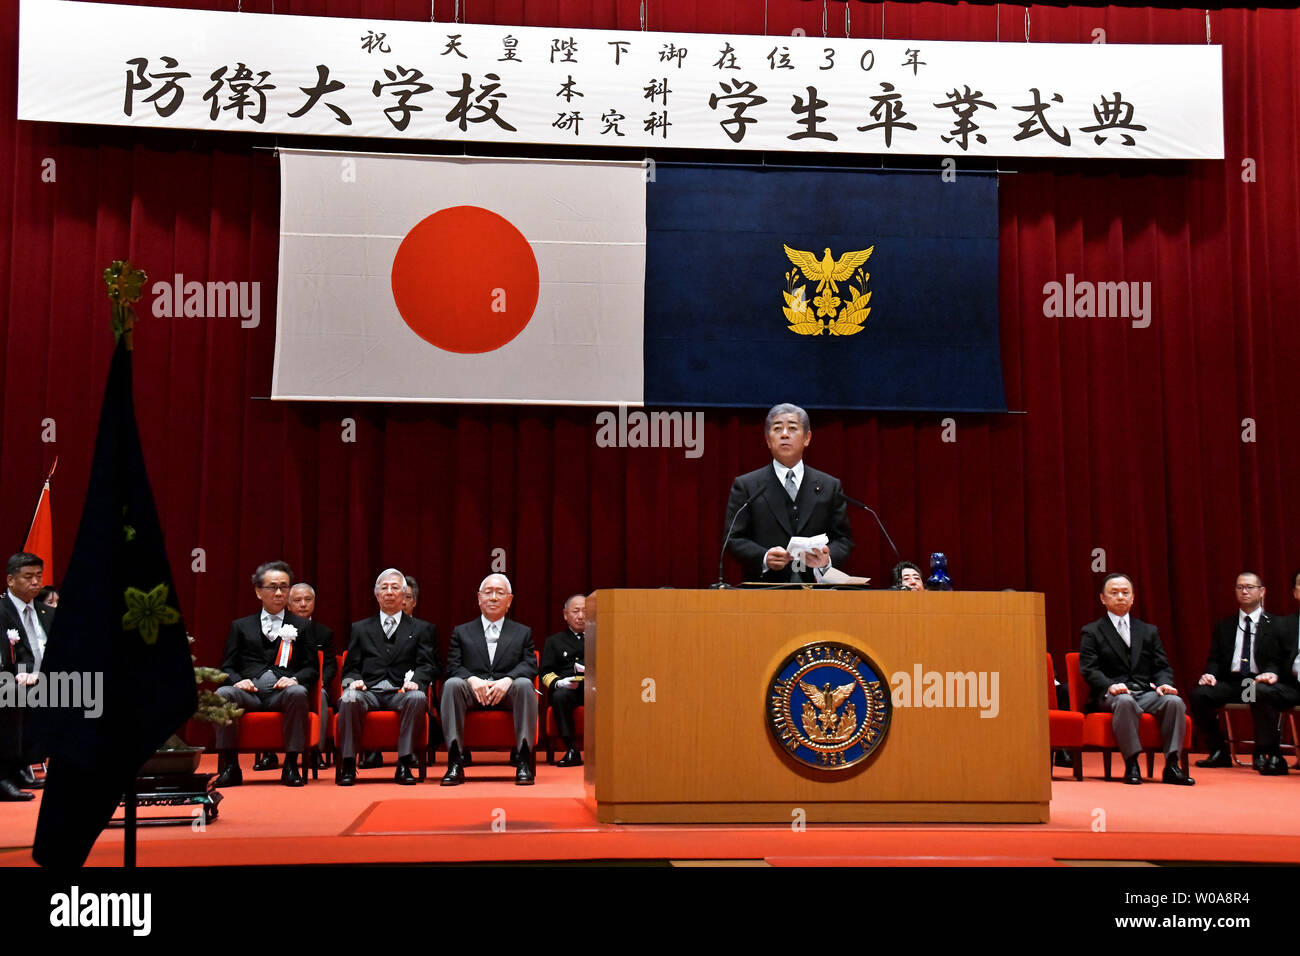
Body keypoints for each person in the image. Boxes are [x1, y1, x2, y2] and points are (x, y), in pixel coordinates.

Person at [1078, 572, 1194, 786]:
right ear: (1103, 598)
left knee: (1174, 702)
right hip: (1110, 695)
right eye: (1114, 593)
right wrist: (1111, 685)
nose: (1120, 597)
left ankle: (1171, 765)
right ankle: (1132, 763)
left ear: (1133, 598)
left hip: (1144, 692)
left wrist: (1164, 684)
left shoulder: (1148, 631)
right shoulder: (1092, 631)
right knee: (1124, 701)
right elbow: (1089, 669)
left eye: (1125, 593)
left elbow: (1162, 666)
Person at [212, 561, 319, 787]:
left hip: (281, 694)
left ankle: (291, 765)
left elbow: (311, 668)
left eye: (284, 587)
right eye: (272, 587)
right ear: (259, 592)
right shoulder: (240, 626)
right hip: (249, 693)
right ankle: (231, 767)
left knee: (298, 692)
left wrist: (295, 679)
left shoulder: (303, 626)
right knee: (223, 693)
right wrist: (238, 681)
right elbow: (226, 667)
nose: (279, 593)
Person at [723, 403, 853, 583]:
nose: (785, 434)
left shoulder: (829, 486)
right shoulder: (747, 486)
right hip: (763, 591)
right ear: (768, 440)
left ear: (807, 438)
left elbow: (843, 540)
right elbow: (733, 539)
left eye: (792, 428)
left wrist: (827, 560)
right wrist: (764, 556)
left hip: (817, 593)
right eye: (777, 429)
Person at [336, 569, 438, 786]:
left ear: (404, 595)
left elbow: (427, 665)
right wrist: (353, 681)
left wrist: (417, 682)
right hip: (369, 691)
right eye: (384, 588)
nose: (389, 592)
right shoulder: (360, 628)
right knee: (348, 698)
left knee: (418, 698)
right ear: (376, 594)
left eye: (395, 588)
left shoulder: (421, 629)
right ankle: (347, 763)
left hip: (402, 692)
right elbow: (349, 669)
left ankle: (403, 763)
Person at [440, 573, 538, 786]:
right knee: (452, 684)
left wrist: (508, 679)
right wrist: (472, 679)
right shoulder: (462, 631)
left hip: (507, 692)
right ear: (479, 598)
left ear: (509, 600)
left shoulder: (522, 632)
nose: (493, 597)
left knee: (524, 684)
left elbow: (530, 664)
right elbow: (453, 666)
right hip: (473, 692)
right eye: (488, 592)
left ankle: (523, 759)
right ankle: (455, 761)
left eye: (500, 593)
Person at [1191, 572, 1271, 769]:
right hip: (1231, 682)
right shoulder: (1224, 625)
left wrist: (1269, 673)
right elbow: (1215, 658)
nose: (1245, 591)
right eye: (1240, 587)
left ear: (1262, 592)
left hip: (1256, 682)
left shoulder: (1274, 624)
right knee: (1200, 694)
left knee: (1259, 694)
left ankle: (1261, 752)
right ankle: (1219, 750)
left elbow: (1279, 658)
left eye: (1250, 587)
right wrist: (1210, 674)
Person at [2, 552, 53, 791]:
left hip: (53, 680)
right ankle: (9, 771)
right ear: (11, 580)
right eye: (28, 577)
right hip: (14, 680)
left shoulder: (48, 612)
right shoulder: (1, 611)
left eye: (39, 576)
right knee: (12, 693)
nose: (35, 582)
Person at [1251, 568, 1300, 775]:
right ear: (1295, 593)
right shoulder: (1285, 624)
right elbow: (1274, 660)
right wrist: (1271, 673)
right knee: (1257, 689)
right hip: (1295, 686)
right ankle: (1272, 754)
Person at [541, 593, 586, 767]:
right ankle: (571, 749)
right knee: (559, 696)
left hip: (598, 689)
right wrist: (559, 682)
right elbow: (545, 672)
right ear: (566, 614)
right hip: (570, 690)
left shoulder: (603, 637)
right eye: (576, 611)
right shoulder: (554, 641)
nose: (581, 616)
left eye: (585, 611)